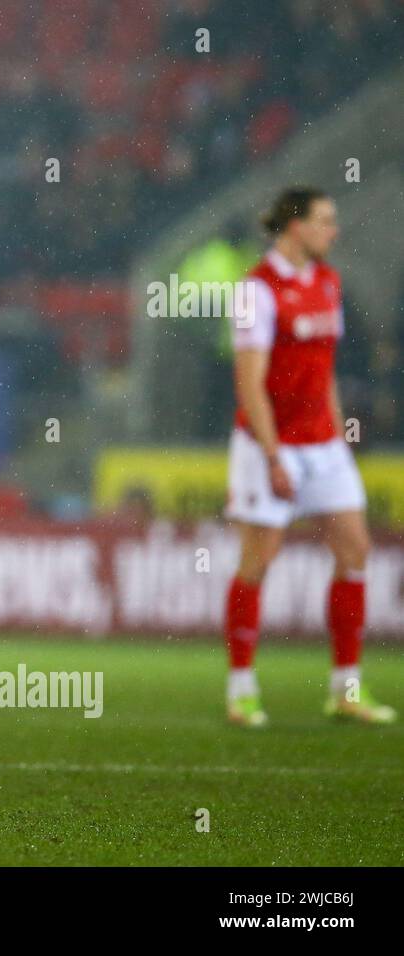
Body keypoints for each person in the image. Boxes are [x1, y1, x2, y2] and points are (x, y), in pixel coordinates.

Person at [223, 186, 395, 727]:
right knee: (259, 559)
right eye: (325, 220)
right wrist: (274, 457)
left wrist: (338, 439)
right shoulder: (257, 290)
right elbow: (250, 384)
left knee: (355, 548)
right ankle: (241, 690)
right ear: (295, 226)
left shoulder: (328, 282)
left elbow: (325, 376)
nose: (333, 230)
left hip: (323, 444)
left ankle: (346, 689)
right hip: (268, 444)